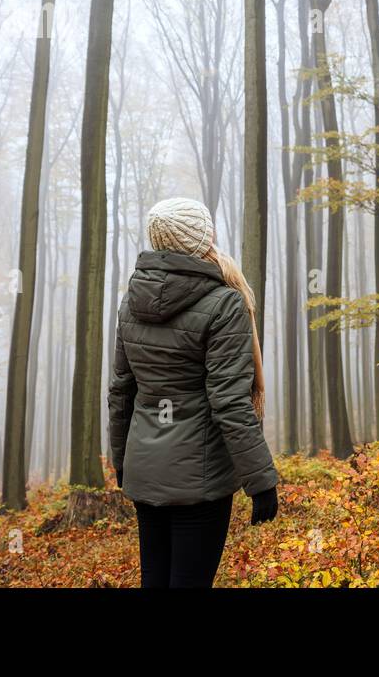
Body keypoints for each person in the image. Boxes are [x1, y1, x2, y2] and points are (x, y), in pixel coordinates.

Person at [108, 197, 279, 587]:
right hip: (199, 481)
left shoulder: (131, 302)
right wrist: (261, 481)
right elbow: (229, 400)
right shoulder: (225, 302)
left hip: (145, 470)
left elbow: (122, 391)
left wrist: (122, 462)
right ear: (201, 237)